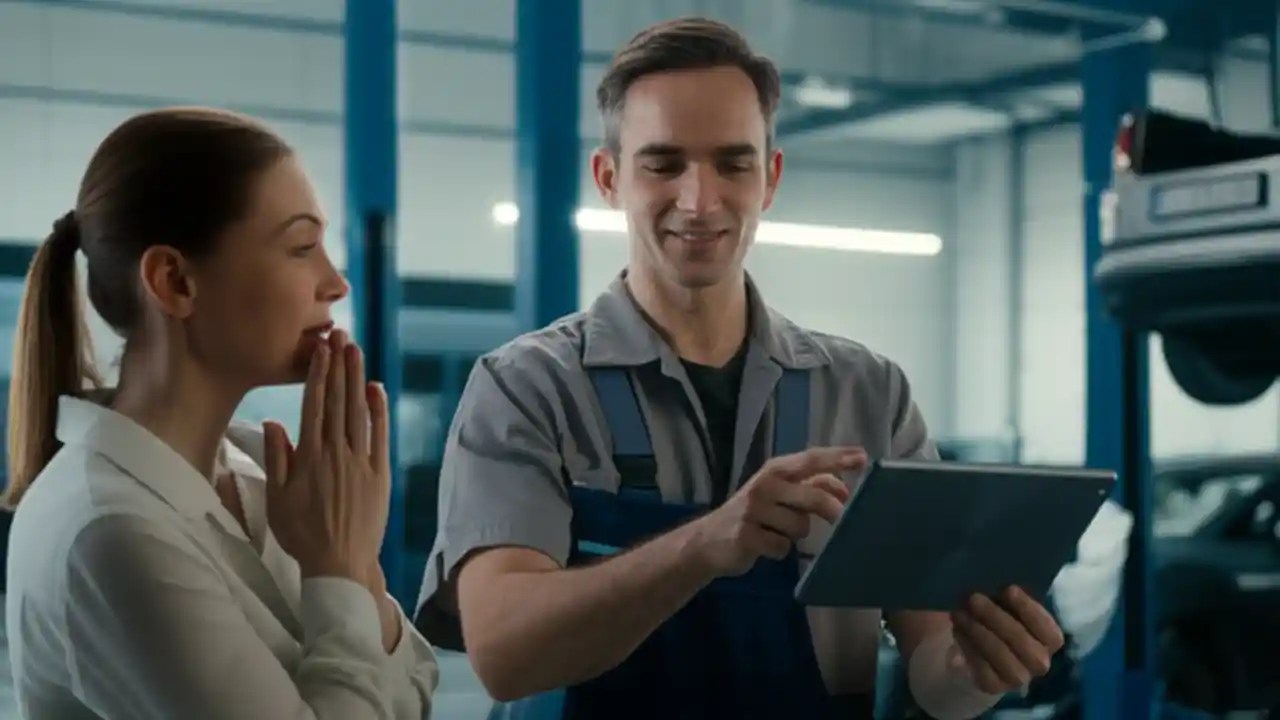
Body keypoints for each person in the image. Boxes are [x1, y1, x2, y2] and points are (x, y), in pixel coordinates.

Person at [414, 17, 1065, 720]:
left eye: (733, 162)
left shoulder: (870, 396)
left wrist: (976, 668)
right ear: (609, 179)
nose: (700, 200)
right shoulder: (527, 389)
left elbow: (937, 669)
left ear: (771, 177)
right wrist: (705, 544)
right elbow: (505, 653)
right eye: (663, 164)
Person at [4, 107, 439, 719]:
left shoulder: (267, 472)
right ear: (175, 281)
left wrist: (354, 561)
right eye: (302, 247)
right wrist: (339, 569)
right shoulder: (108, 532)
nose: (335, 283)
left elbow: (417, 685)